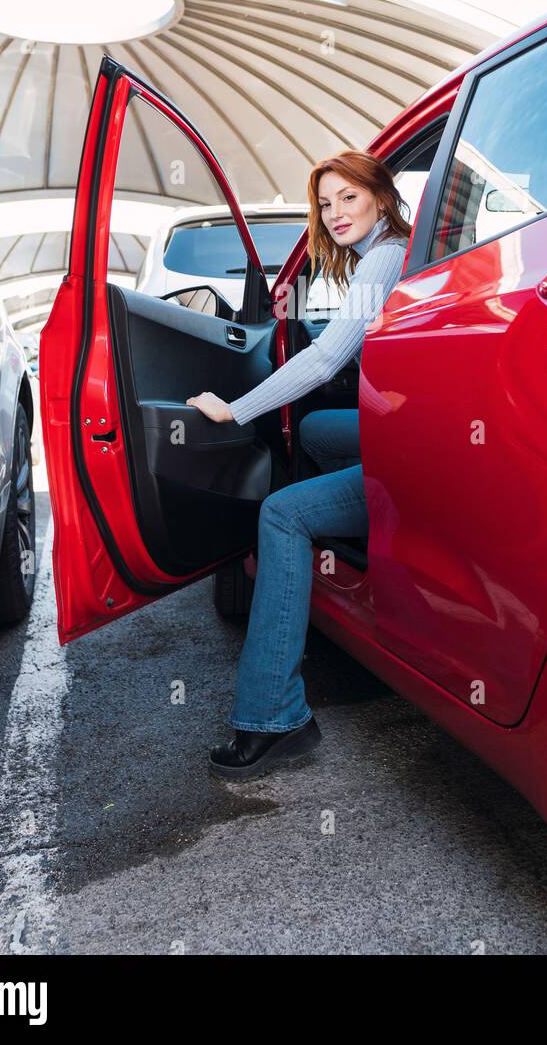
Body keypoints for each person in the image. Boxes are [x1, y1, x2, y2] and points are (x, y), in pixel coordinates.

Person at [186, 149, 411, 779]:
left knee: (282, 514)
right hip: (404, 426)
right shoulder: (387, 254)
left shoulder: (386, 258)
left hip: (416, 455)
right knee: (315, 428)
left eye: (349, 198)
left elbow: (321, 362)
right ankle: (333, 562)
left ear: (382, 199)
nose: (335, 213)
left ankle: (274, 718)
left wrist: (235, 411)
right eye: (324, 203)